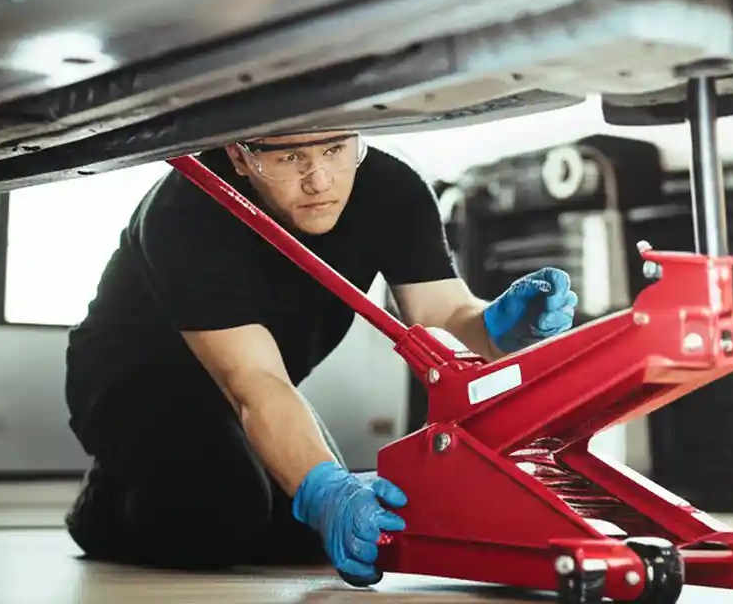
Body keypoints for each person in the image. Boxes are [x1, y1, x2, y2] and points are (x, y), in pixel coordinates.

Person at [63, 130, 578, 583]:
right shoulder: (188, 208)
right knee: (219, 523)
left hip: (258, 384)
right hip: (134, 385)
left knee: (305, 540)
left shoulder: (388, 186)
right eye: (289, 158)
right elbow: (252, 380)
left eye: (335, 148)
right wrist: (326, 490)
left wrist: (498, 326)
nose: (320, 180)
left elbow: (445, 311)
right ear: (239, 156)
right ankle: (104, 505)